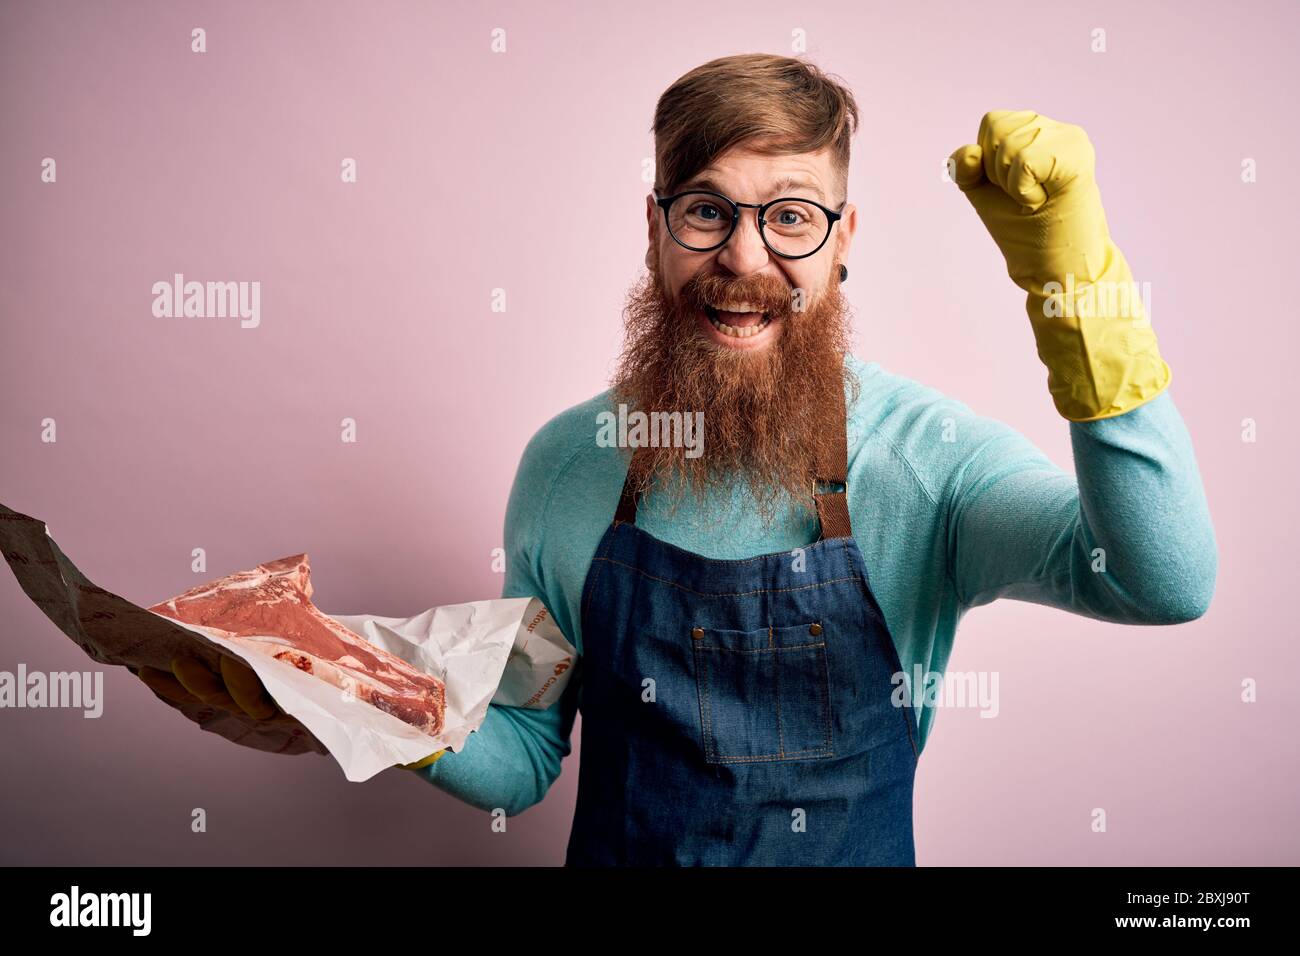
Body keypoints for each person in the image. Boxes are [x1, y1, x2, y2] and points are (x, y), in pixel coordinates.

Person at [140, 53, 1218, 866]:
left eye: (790, 216)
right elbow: (522, 747)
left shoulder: (926, 461)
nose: (743, 258)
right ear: (654, 227)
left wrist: (1080, 293)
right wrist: (336, 690)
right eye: (706, 210)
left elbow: (1160, 582)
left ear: (844, 239)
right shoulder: (568, 464)